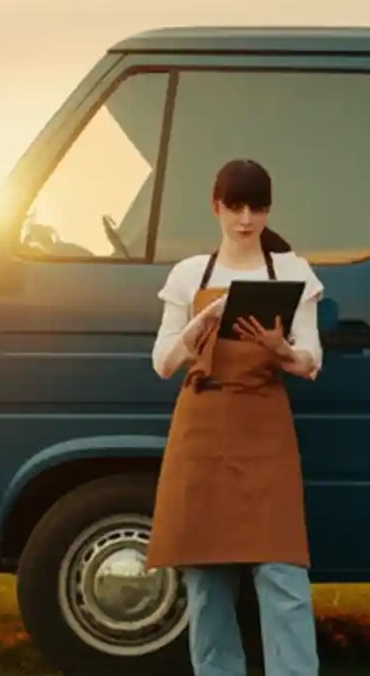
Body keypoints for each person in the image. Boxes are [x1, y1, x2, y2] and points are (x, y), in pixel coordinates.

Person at [145, 158, 324, 676]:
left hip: (264, 424)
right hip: (201, 427)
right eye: (236, 207)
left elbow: (312, 359)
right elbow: (161, 363)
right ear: (216, 206)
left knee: (282, 570)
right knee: (205, 578)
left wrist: (283, 350)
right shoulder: (188, 275)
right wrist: (197, 328)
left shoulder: (292, 271)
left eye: (257, 207)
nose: (246, 220)